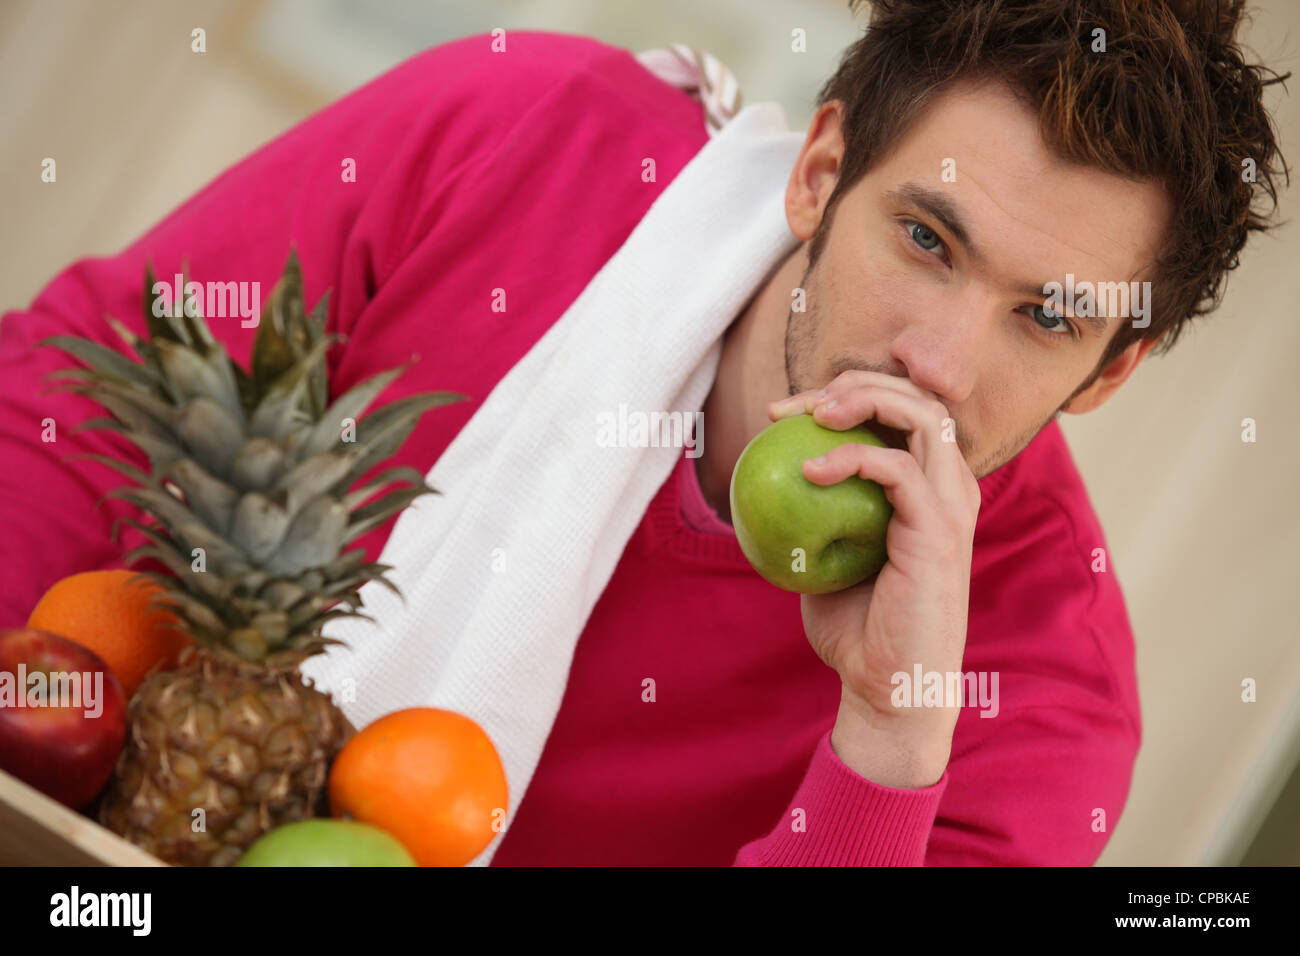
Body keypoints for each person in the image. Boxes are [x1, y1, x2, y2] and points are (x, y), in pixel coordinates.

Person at [0, 1, 1287, 865]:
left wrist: (888, 741)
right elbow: (66, 407)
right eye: (925, 238)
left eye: (1048, 319)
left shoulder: (1043, 700)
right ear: (820, 172)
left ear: (1112, 370)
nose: (938, 364)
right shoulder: (522, 129)